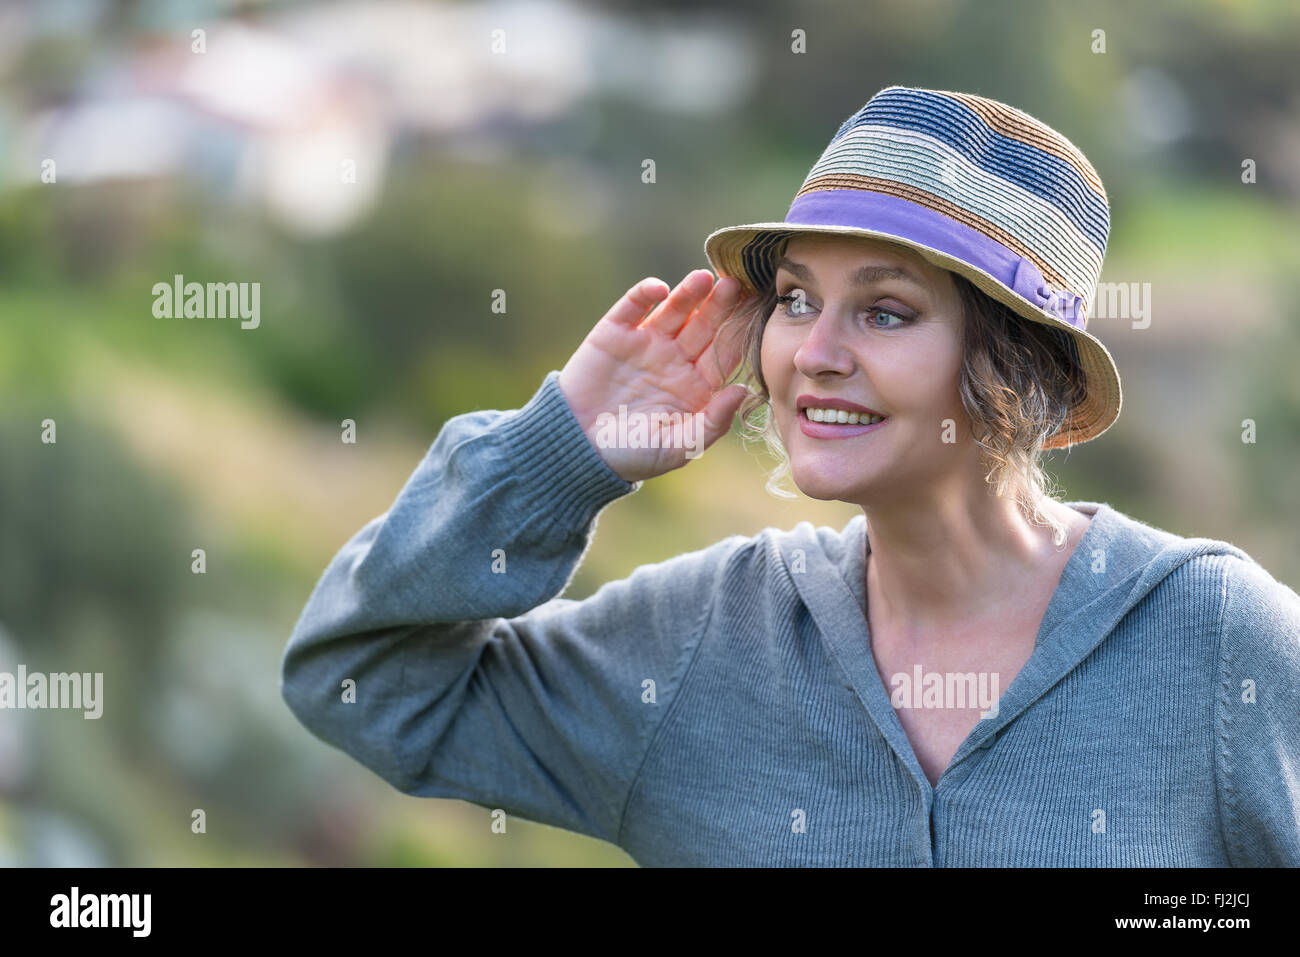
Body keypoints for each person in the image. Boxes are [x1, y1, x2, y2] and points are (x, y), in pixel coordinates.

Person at [279, 85, 1300, 866]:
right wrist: (556, 459)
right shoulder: (703, 644)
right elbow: (360, 683)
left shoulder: (1212, 644)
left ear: (1010, 363)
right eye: (798, 299)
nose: (813, 351)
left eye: (885, 310)